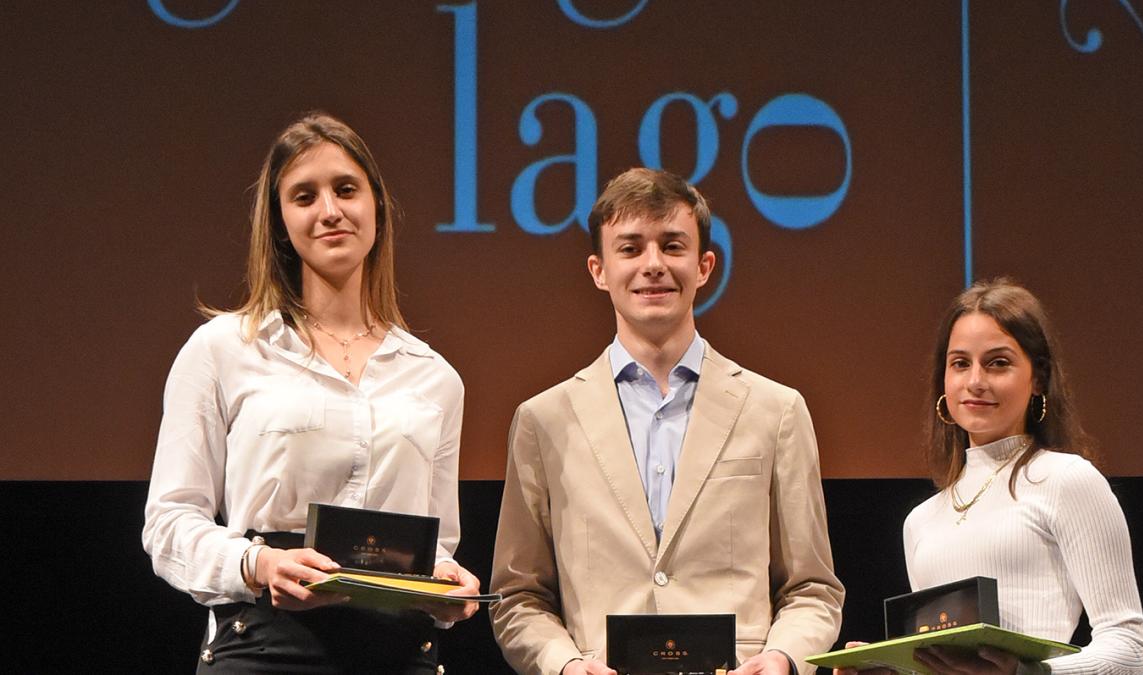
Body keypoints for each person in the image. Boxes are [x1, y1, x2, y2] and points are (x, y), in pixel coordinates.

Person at [142, 112, 480, 673]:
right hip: (265, 649)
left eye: (346, 190)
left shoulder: (435, 378)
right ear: (281, 221)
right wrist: (258, 563)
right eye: (304, 196)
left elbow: (436, 544)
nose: (329, 211)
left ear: (376, 207)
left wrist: (448, 585)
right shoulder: (224, 349)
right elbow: (170, 523)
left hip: (396, 655)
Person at [490, 168, 844, 675]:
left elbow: (813, 588)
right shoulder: (544, 420)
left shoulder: (776, 409)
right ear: (598, 270)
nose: (653, 265)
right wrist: (564, 664)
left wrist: (783, 657)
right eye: (631, 249)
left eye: (672, 246)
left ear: (704, 266)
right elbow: (518, 595)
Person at [837, 279, 1143, 675]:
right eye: (960, 363)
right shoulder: (920, 520)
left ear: (1037, 378)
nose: (975, 381)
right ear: (943, 380)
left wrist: (1026, 673)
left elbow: (1130, 648)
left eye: (998, 363)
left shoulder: (1068, 480)